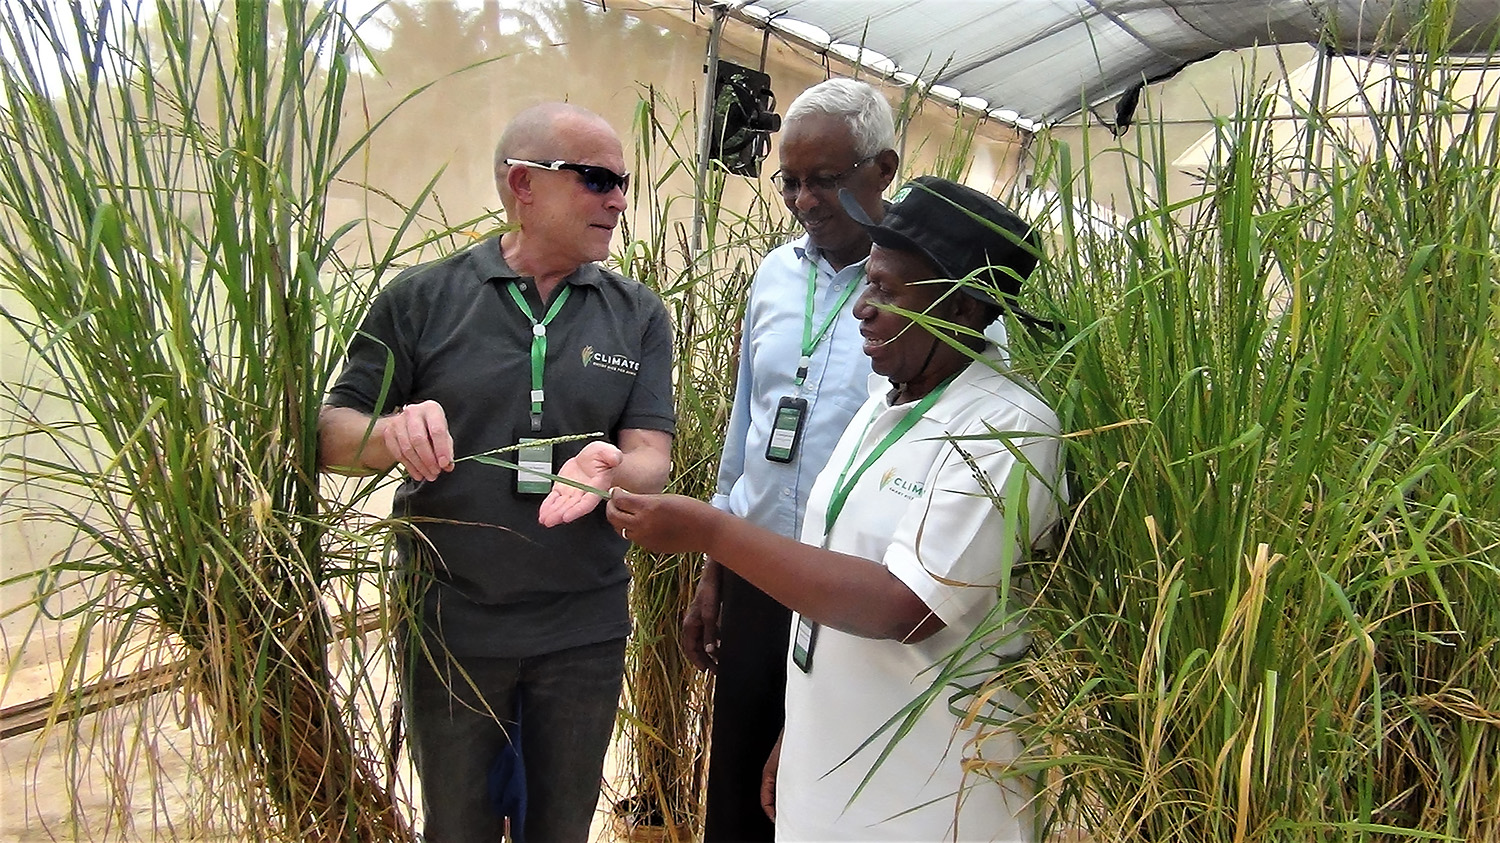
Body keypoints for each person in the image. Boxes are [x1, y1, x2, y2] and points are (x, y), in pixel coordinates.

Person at [609, 176, 1064, 842]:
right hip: (827, 778)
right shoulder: (884, 405)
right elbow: (832, 579)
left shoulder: (1010, 428)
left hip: (927, 798)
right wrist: (801, 726)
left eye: (886, 290)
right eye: (864, 285)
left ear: (964, 310)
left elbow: (902, 606)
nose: (862, 309)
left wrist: (712, 530)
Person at [319, 102, 675, 842]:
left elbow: (652, 458)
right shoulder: (422, 299)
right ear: (523, 183)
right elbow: (331, 435)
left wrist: (615, 468)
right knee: (457, 825)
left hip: (583, 626)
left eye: (624, 182)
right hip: (452, 623)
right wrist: (390, 431)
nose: (618, 199)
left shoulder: (636, 312)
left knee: (561, 826)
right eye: (598, 178)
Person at [686, 77, 898, 843]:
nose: (805, 200)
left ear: (884, 168)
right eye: (791, 181)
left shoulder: (930, 289)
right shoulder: (774, 275)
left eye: (825, 180)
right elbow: (746, 421)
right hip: (758, 572)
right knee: (740, 789)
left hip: (856, 593)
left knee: (827, 793)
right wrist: (714, 561)